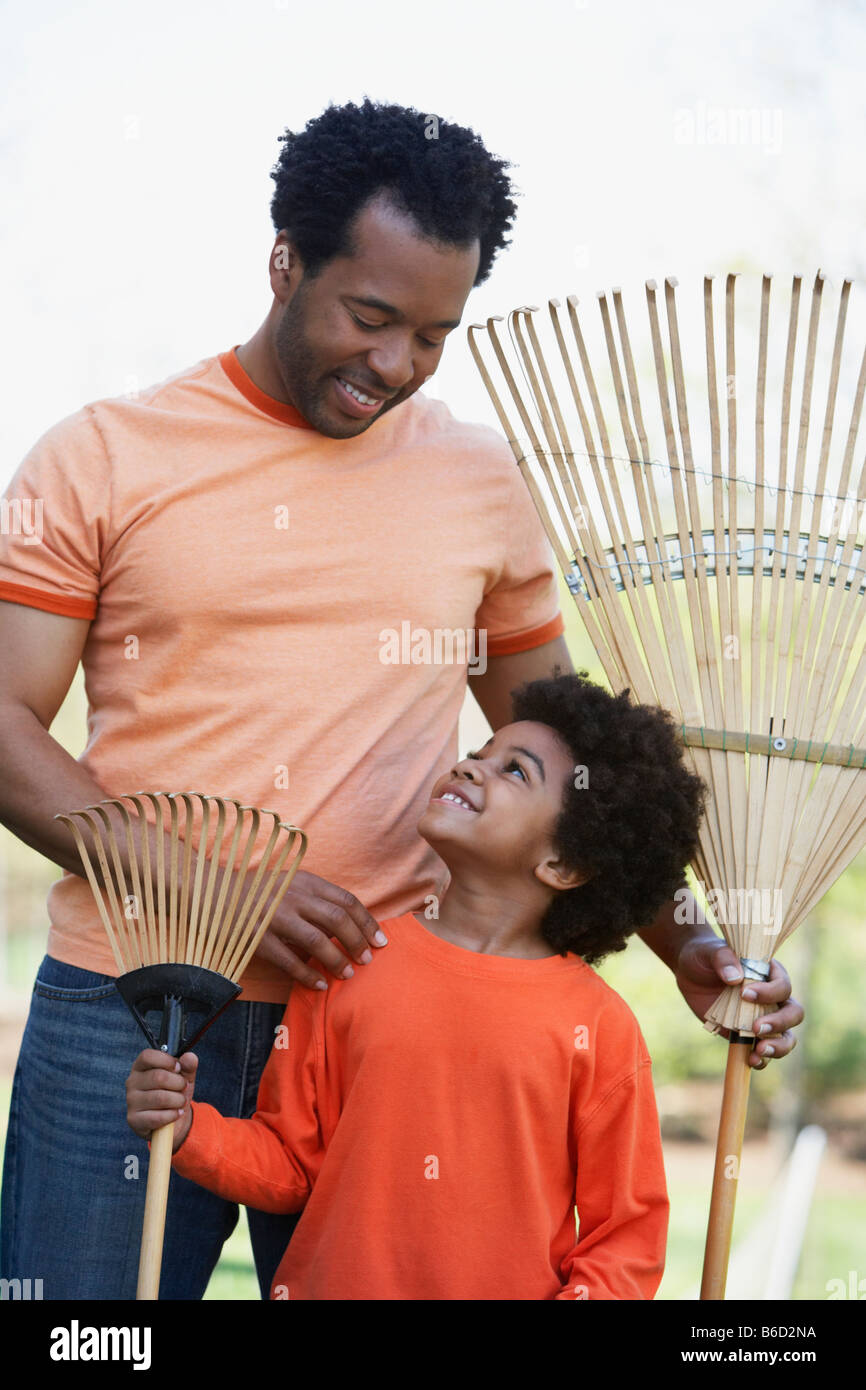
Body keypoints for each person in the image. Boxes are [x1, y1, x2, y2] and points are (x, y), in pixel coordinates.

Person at [0, 98, 802, 1301]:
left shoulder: (479, 480)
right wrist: (220, 892)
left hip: (393, 1021)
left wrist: (681, 938)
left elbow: (573, 757)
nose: (394, 366)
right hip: (137, 994)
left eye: (433, 335)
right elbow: (7, 728)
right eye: (368, 318)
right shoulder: (104, 455)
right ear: (285, 261)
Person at [126, 674, 704, 1300]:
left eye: (515, 772)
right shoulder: (349, 964)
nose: (470, 767)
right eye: (478, 754)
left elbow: (626, 1236)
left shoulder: (602, 1027)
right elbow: (292, 1164)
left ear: (562, 864)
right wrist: (187, 1128)